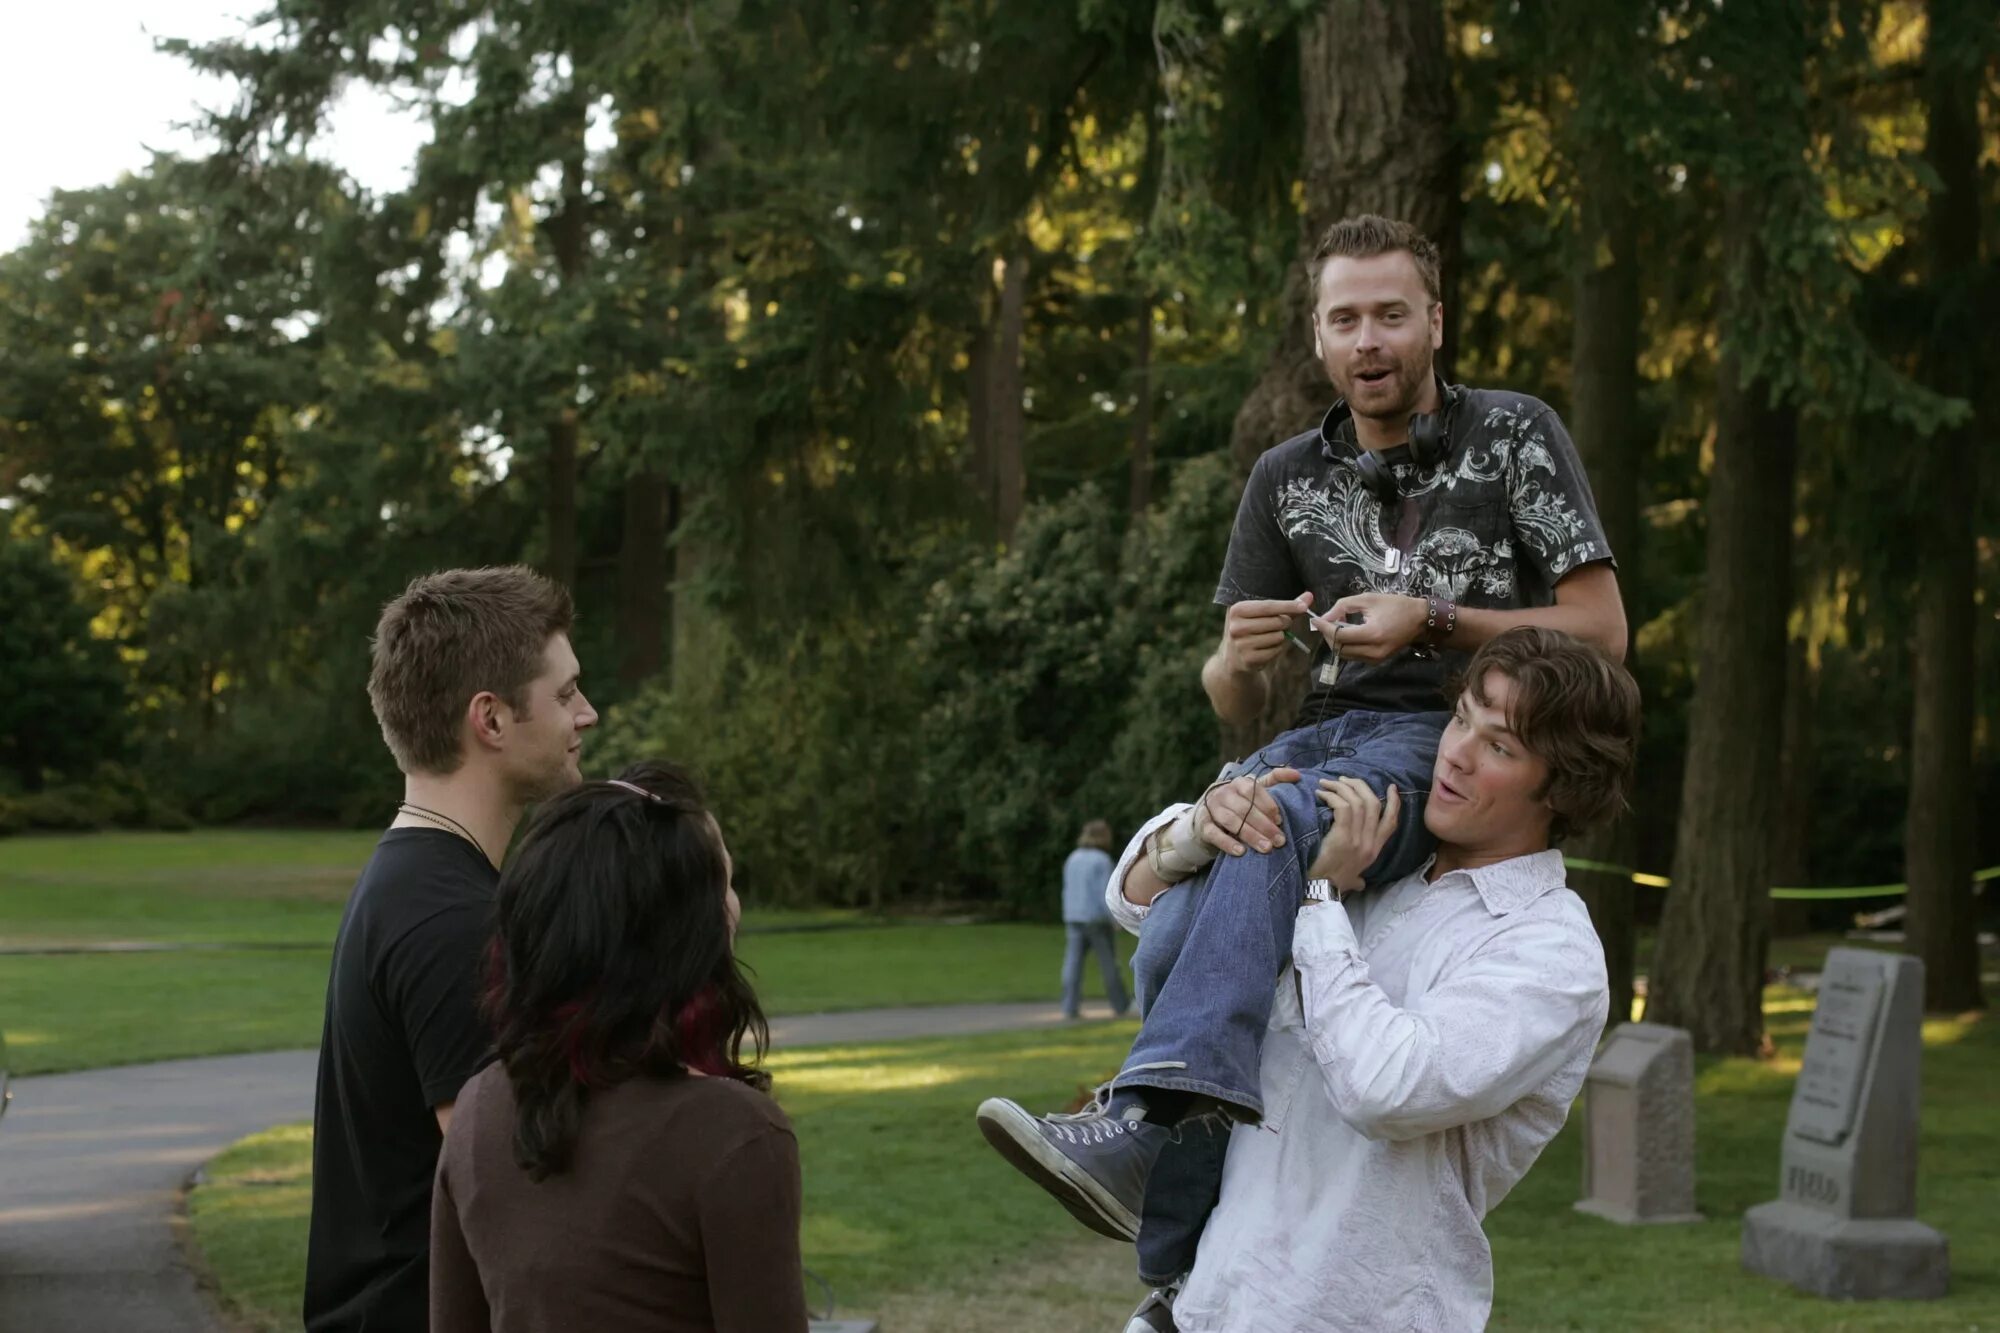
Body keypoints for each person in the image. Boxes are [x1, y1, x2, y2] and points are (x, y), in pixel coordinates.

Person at [976, 215, 1626, 1288]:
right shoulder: (1284, 475)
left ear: (1434, 322)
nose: (1368, 340)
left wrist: (1432, 619)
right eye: (1344, 319)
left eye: (1390, 314)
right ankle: (1175, 1252)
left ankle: (1139, 1120)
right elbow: (1232, 700)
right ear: (1317, 337)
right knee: (1182, 902)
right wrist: (1229, 661)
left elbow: (1601, 633)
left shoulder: (1513, 432)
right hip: (1312, 731)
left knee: (1269, 826)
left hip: (1437, 731)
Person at [1131, 627, 1635, 1330]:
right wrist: (1197, 831)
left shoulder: (1551, 950)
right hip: (1204, 1299)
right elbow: (1138, 909)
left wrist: (1319, 898)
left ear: (1564, 788)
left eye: (1499, 747)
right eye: (1461, 717)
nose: (1454, 752)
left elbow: (1386, 1089)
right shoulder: (1373, 858)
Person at [305, 566, 598, 1333]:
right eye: (566, 693)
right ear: (490, 718)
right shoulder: (451, 920)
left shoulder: (417, 883)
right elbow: (510, 1193)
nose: (587, 713)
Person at [431, 761, 808, 1333]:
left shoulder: (479, 1107)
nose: (732, 908)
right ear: (682, 933)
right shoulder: (734, 1133)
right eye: (721, 885)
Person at [1061, 819, 1133, 1019]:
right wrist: (1115, 918)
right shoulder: (1102, 860)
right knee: (1108, 963)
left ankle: (1069, 1006)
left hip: (1074, 916)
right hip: (1096, 919)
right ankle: (1121, 1005)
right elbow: (1105, 893)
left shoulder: (1073, 857)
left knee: (1073, 964)